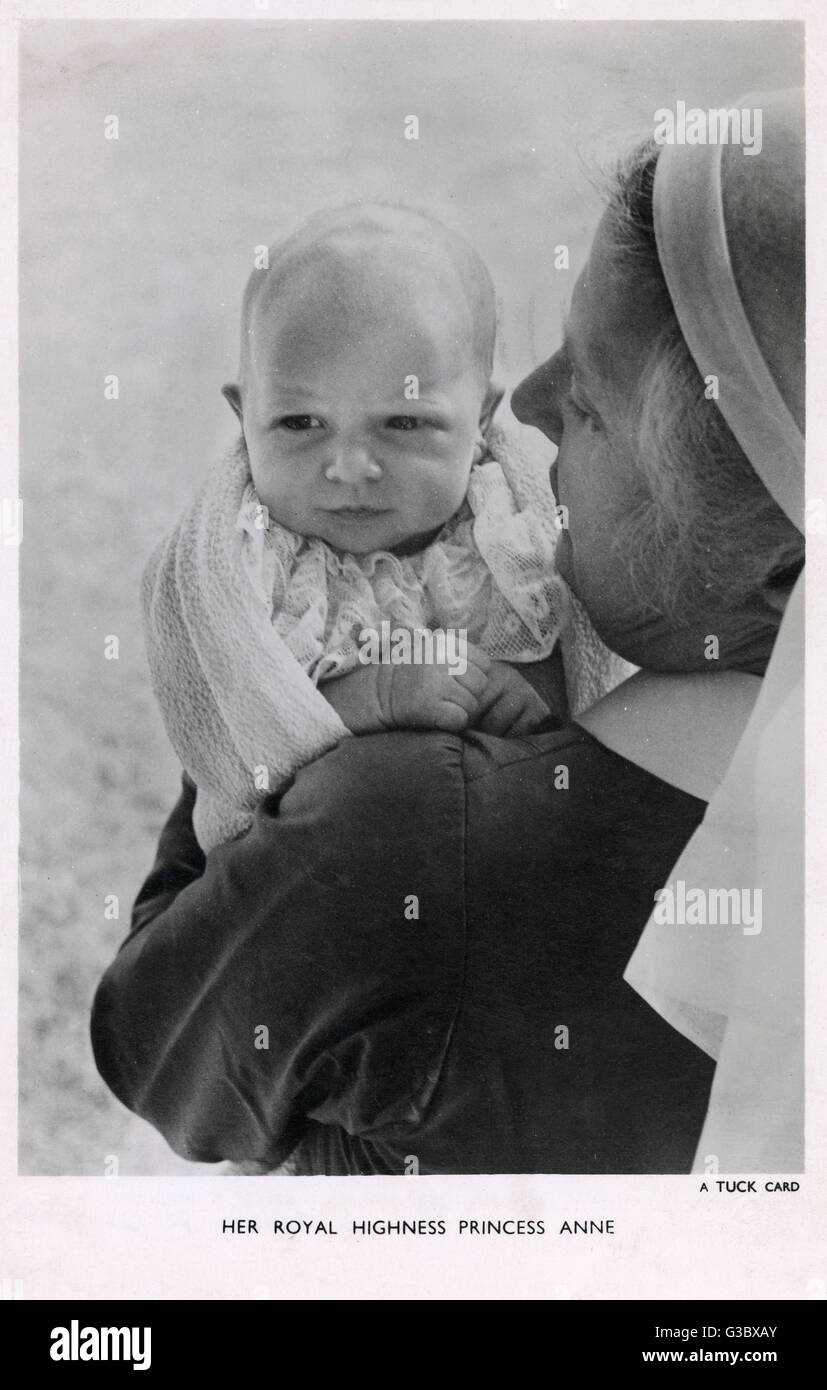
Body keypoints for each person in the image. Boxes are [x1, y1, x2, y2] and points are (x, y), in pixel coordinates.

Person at [91, 89, 804, 1174]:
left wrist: (234, 770)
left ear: (769, 554)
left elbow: (151, 1047)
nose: (520, 411)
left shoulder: (398, 833)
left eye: (593, 403)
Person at [141, 204, 579, 854]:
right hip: (305, 872)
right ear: (244, 415)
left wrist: (528, 693)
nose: (349, 469)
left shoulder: (505, 522)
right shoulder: (251, 558)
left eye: (402, 424)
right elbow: (233, 721)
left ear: (481, 419)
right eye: (299, 423)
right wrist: (370, 693)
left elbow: (571, 631)